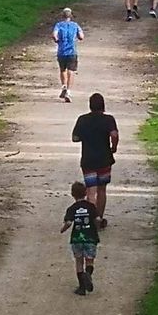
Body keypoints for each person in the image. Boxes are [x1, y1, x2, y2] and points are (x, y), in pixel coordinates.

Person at [71, 92, 119, 228]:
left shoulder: (82, 120)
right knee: (102, 190)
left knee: (91, 190)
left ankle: (90, 219)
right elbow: (114, 134)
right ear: (103, 106)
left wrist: (85, 136)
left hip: (88, 160)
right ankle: (99, 218)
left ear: (90, 106)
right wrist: (113, 147)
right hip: (104, 159)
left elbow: (75, 138)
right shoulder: (109, 119)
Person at [60, 181, 100, 296]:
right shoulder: (91, 207)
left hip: (77, 238)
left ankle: (81, 287)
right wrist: (96, 227)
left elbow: (68, 222)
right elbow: (97, 219)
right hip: (90, 237)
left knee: (79, 261)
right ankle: (88, 273)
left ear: (72, 194)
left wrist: (63, 229)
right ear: (86, 193)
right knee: (89, 259)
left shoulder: (72, 208)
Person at [52, 7, 84, 102]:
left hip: (61, 51)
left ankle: (64, 86)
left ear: (62, 16)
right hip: (72, 51)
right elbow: (81, 37)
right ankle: (68, 91)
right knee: (71, 71)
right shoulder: (75, 25)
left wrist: (57, 41)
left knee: (62, 70)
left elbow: (54, 35)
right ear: (71, 16)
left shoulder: (58, 25)